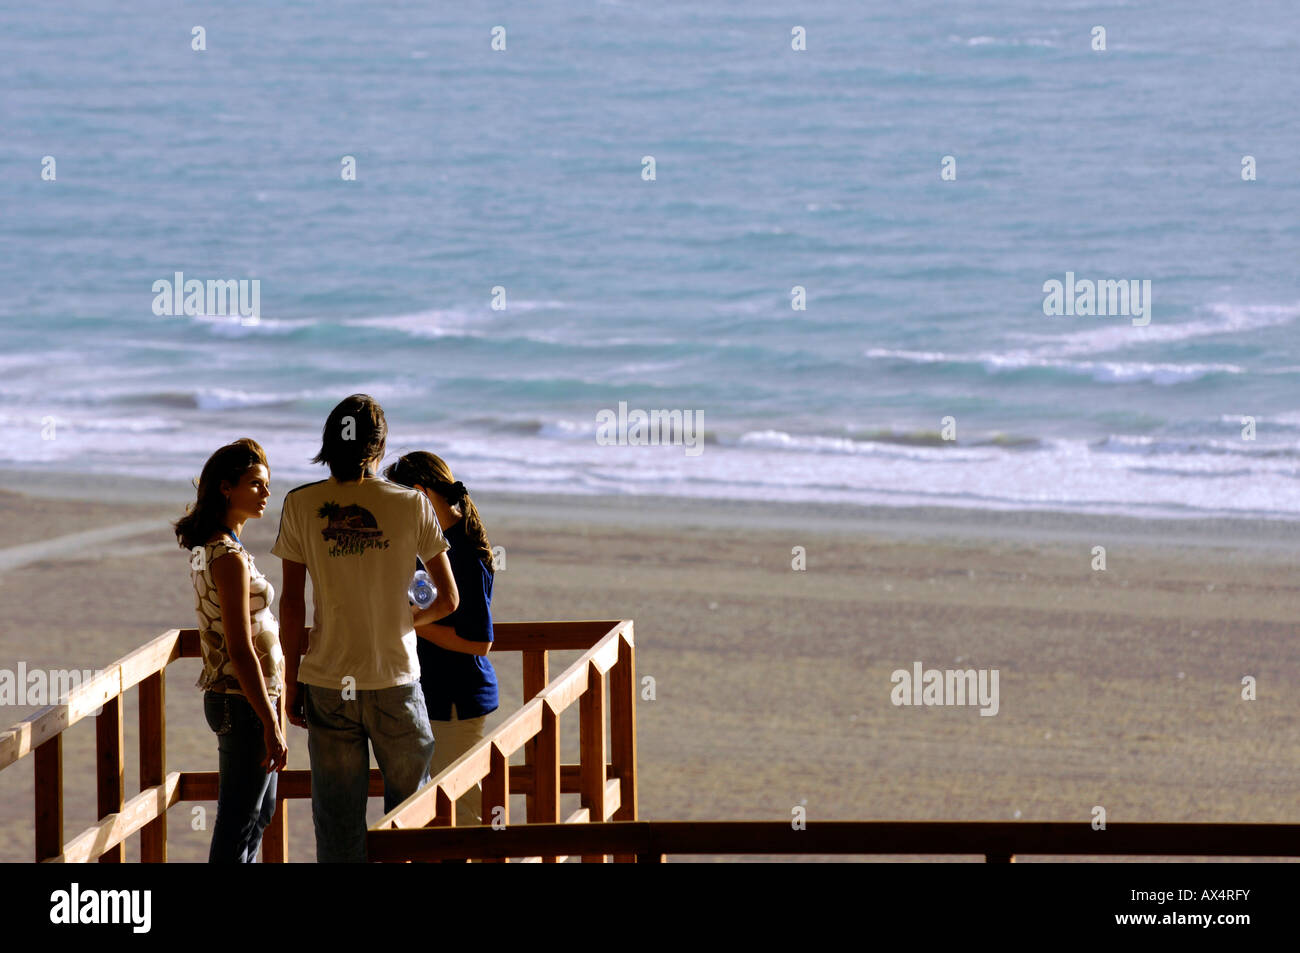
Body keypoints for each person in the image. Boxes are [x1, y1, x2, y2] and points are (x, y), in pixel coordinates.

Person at [272, 395, 458, 862]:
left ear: (329, 442)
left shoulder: (301, 503)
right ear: (378, 448)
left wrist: (291, 681)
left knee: (337, 823)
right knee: (409, 819)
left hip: (328, 683)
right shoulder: (411, 502)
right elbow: (450, 598)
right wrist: (402, 621)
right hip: (394, 678)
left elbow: (292, 604)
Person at [173, 438, 288, 863]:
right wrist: (269, 721)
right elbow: (240, 649)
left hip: (249, 699)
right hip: (241, 702)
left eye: (267, 484)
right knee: (239, 822)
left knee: (259, 814)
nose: (265, 493)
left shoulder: (218, 548)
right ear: (226, 487)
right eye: (256, 484)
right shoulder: (226, 555)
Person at [385, 452, 499, 824]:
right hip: (432, 694)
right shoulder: (431, 544)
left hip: (457, 699)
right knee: (434, 805)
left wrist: (413, 625)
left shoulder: (461, 553)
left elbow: (479, 642)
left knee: (464, 808)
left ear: (420, 493)